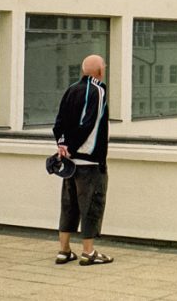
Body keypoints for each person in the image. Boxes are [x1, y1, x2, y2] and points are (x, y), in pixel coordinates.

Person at [52, 54, 113, 265]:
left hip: (69, 163)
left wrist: (63, 146)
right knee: (91, 204)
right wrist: (73, 146)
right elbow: (90, 123)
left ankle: (64, 250)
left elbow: (58, 123)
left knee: (69, 205)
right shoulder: (98, 89)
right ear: (100, 71)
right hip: (90, 161)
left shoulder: (71, 89)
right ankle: (88, 252)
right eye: (103, 66)